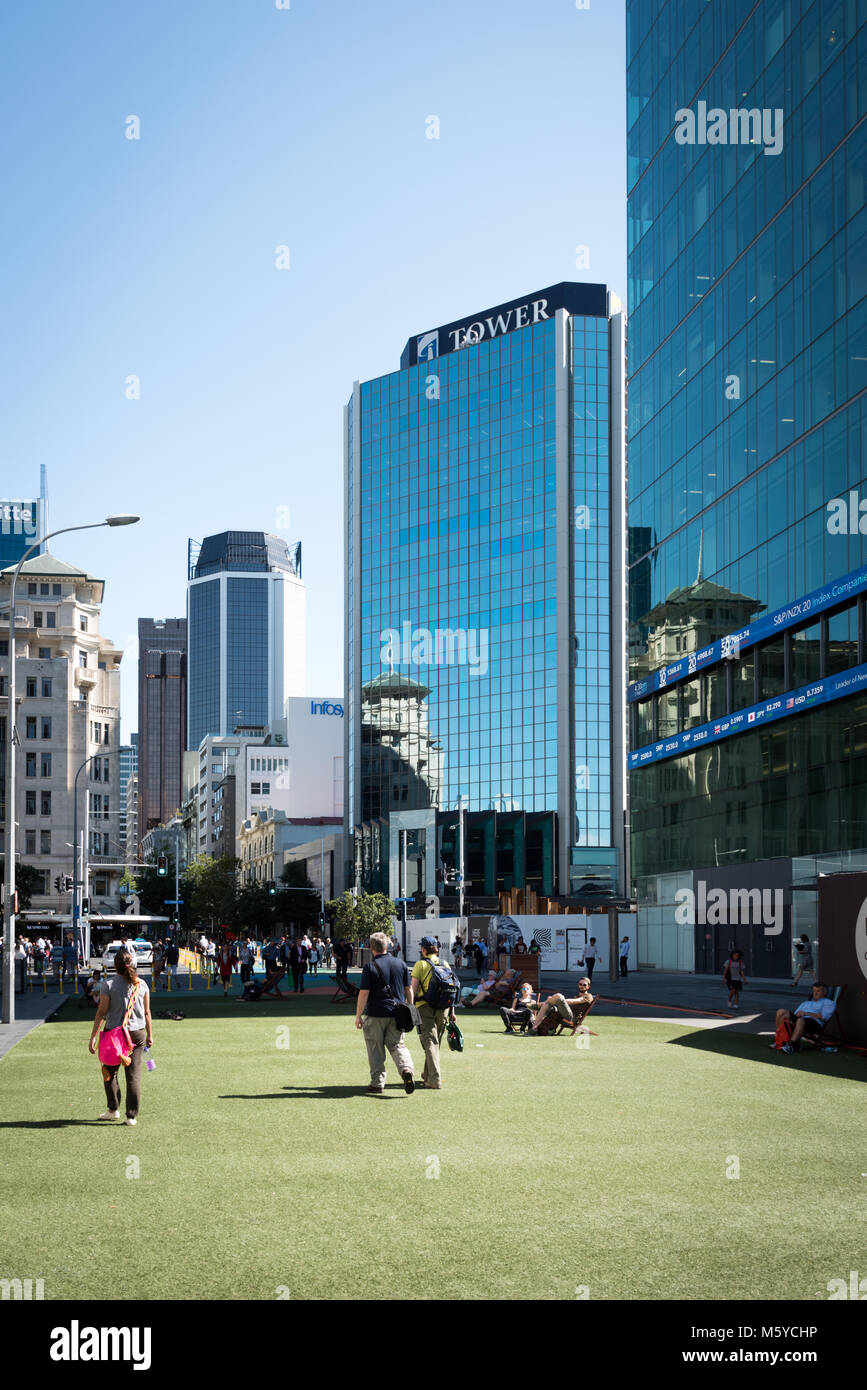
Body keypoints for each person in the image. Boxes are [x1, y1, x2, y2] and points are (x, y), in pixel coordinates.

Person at [89, 948, 153, 1125]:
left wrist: (93, 1036)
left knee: (109, 1073)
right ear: (131, 964)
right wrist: (150, 1035)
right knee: (133, 1076)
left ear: (114, 966)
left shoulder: (108, 985)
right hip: (137, 1033)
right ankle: (131, 1116)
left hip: (114, 1034)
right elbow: (147, 1012)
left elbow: (101, 1013)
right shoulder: (142, 984)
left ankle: (113, 1108)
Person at [354, 930, 416, 1095]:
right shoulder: (401, 964)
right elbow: (409, 989)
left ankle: (377, 1082)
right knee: (397, 1045)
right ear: (388, 946)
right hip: (397, 1013)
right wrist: (411, 1008)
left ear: (370, 948)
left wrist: (358, 1015)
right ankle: (406, 1069)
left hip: (375, 1012)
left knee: (375, 1048)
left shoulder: (370, 966)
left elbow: (364, 993)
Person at [409, 935, 456, 1091]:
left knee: (430, 1043)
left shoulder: (420, 964)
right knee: (435, 1044)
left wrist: (409, 1006)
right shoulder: (444, 964)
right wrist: (452, 1011)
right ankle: (427, 1075)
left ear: (423, 949)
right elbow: (452, 988)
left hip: (424, 1007)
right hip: (444, 1008)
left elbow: (413, 988)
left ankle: (434, 1080)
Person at [777, 982, 838, 1054]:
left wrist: (806, 1013)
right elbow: (796, 1015)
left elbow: (824, 1017)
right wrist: (798, 1014)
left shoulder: (829, 1002)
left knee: (800, 1021)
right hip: (801, 1020)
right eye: (814, 991)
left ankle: (791, 1045)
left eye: (818, 991)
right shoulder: (806, 1002)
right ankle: (780, 1039)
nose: (815, 993)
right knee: (781, 1012)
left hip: (815, 1023)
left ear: (825, 992)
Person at [528, 978, 594, 1035]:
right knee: (547, 1004)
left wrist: (557, 999)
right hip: (565, 1014)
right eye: (580, 984)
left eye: (584, 985)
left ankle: (538, 1005)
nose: (582, 986)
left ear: (588, 987)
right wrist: (553, 999)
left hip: (572, 1018)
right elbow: (567, 1005)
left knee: (559, 996)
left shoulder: (588, 996)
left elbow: (573, 1001)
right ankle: (534, 1028)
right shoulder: (576, 996)